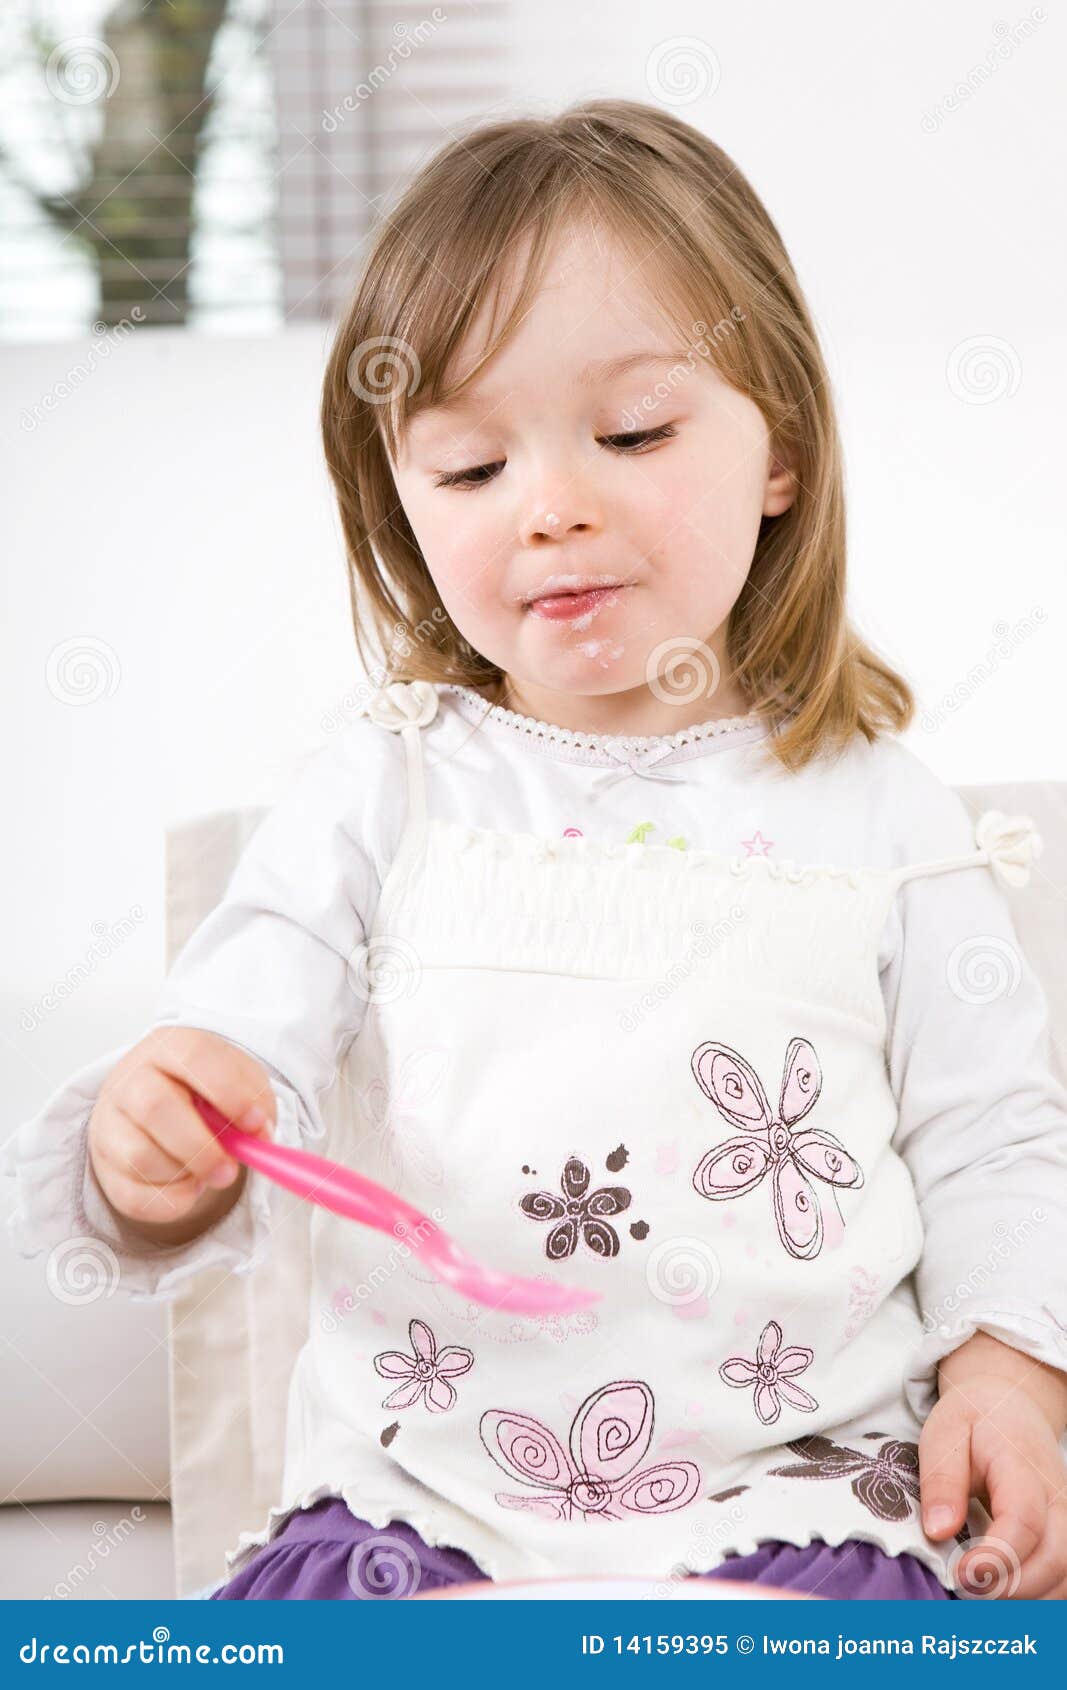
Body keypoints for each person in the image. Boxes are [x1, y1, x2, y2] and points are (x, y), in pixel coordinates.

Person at [7, 99, 1067, 1603]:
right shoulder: (378, 788)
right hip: (415, 1502)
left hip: (808, 1504)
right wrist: (162, 1142)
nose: (553, 507)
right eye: (467, 469)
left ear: (780, 451)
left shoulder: (885, 811)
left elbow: (994, 1145)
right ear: (402, 507)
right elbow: (236, 1058)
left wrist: (1013, 1384)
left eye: (630, 434)